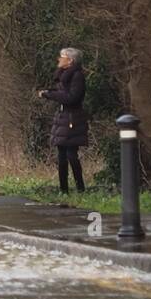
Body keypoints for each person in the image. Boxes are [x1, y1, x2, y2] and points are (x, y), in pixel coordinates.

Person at [38, 47, 88, 193]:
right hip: (62, 116)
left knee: (71, 155)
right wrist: (48, 92)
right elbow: (62, 93)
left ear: (70, 60)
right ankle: (63, 190)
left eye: (62, 56)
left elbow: (71, 98)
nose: (59, 59)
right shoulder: (64, 75)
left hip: (73, 118)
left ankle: (80, 188)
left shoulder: (77, 76)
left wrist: (50, 95)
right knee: (61, 156)